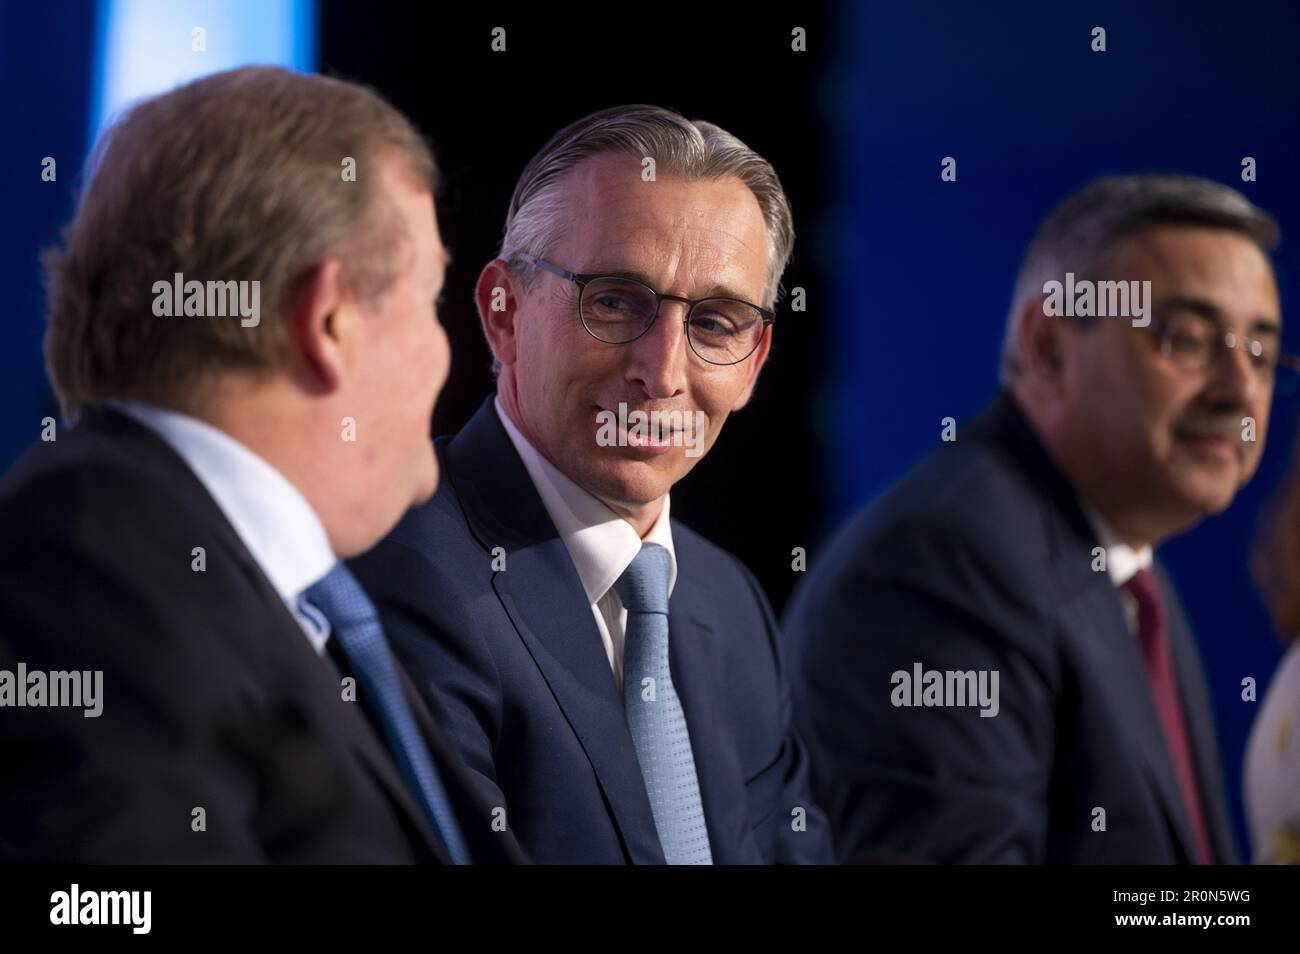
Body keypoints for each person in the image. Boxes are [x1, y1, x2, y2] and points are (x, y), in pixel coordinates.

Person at [0, 66, 524, 864]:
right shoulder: (83, 560)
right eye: (431, 298)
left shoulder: (291, 603)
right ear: (330, 322)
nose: (447, 356)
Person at [351, 105, 833, 864]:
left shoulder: (730, 602)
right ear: (503, 313)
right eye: (614, 301)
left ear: (756, 360)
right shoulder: (402, 571)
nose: (664, 371)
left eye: (714, 323)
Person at [783, 175, 1286, 863]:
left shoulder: (1129, 570)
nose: (1239, 389)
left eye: (1260, 351)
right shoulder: (943, 563)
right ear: (1049, 345)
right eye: (1189, 338)